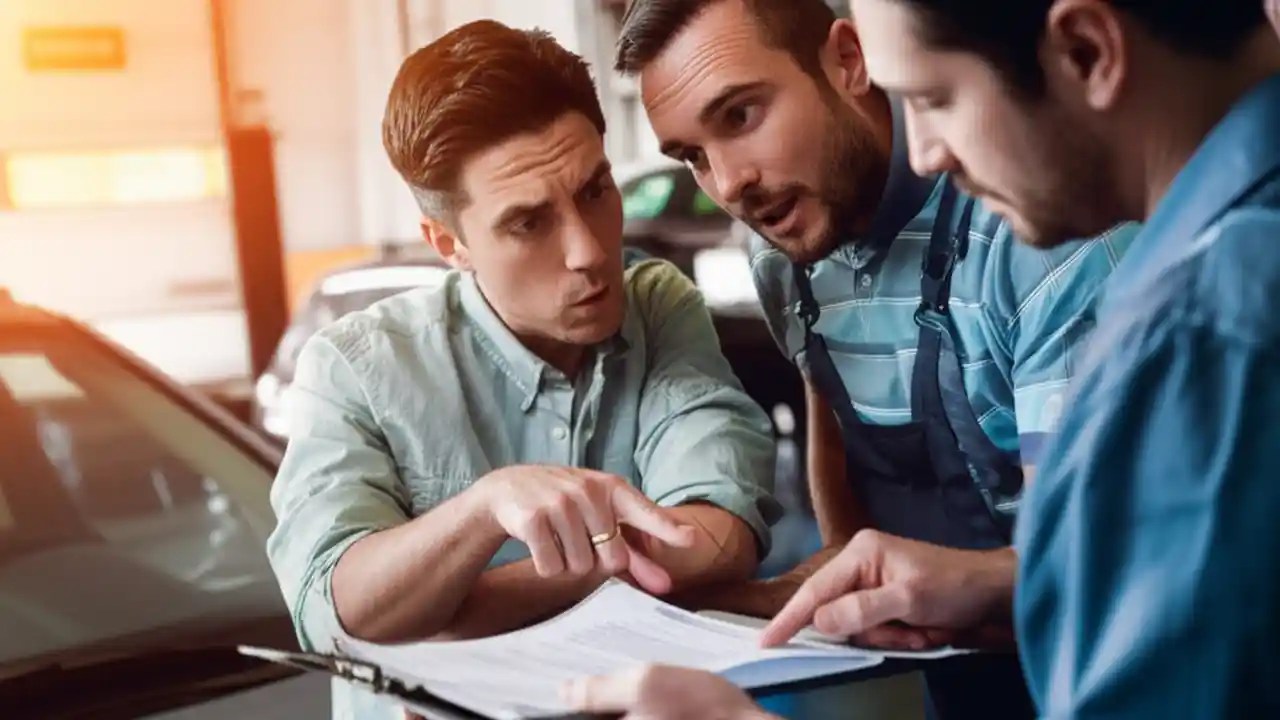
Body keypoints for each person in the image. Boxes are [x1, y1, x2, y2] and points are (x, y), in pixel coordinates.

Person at [566, 0, 1280, 717]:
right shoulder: (792, 265)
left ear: (1089, 53)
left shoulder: (1197, 322)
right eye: (692, 155)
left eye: (930, 98)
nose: (926, 150)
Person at [266, 19, 781, 720]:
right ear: (449, 243)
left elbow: (717, 540)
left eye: (596, 191)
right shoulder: (354, 367)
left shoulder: (656, 305)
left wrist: (449, 618)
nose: (588, 253)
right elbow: (334, 615)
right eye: (528, 223)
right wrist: (485, 507)